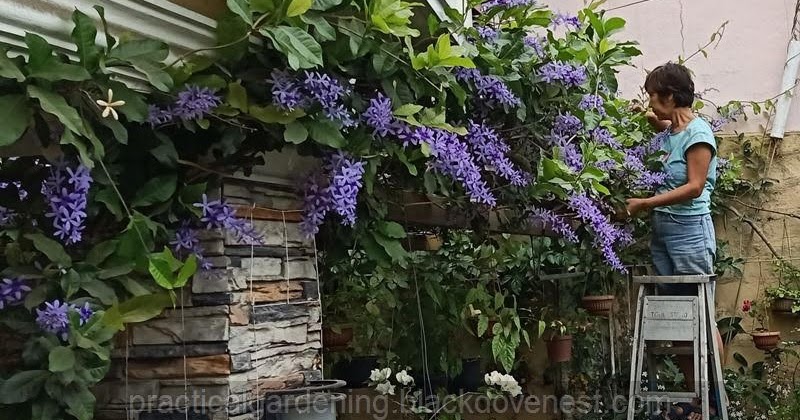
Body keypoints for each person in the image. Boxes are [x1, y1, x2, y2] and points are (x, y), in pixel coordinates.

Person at [625, 62, 722, 420]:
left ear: (671, 95)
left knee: (702, 317)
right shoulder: (672, 132)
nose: (650, 101)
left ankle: (712, 397)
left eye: (653, 95)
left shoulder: (699, 134)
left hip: (690, 233)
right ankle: (694, 398)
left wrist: (645, 203)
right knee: (679, 319)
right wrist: (650, 119)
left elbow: (695, 186)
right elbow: (665, 126)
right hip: (664, 234)